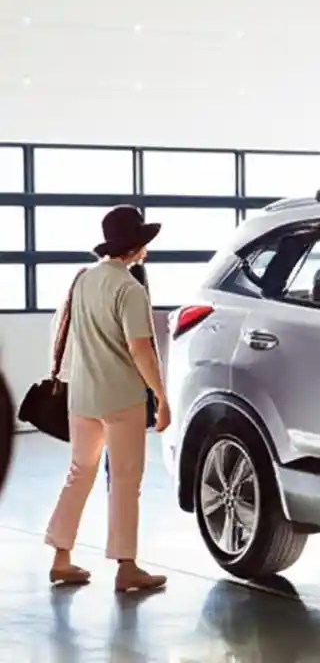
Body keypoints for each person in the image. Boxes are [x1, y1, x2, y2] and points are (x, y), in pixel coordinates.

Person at [45, 205, 169, 592]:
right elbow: (141, 350)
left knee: (79, 473)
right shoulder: (129, 289)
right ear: (135, 247)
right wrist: (161, 396)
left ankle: (61, 558)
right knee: (126, 480)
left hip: (82, 397)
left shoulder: (83, 280)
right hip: (121, 399)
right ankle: (126, 566)